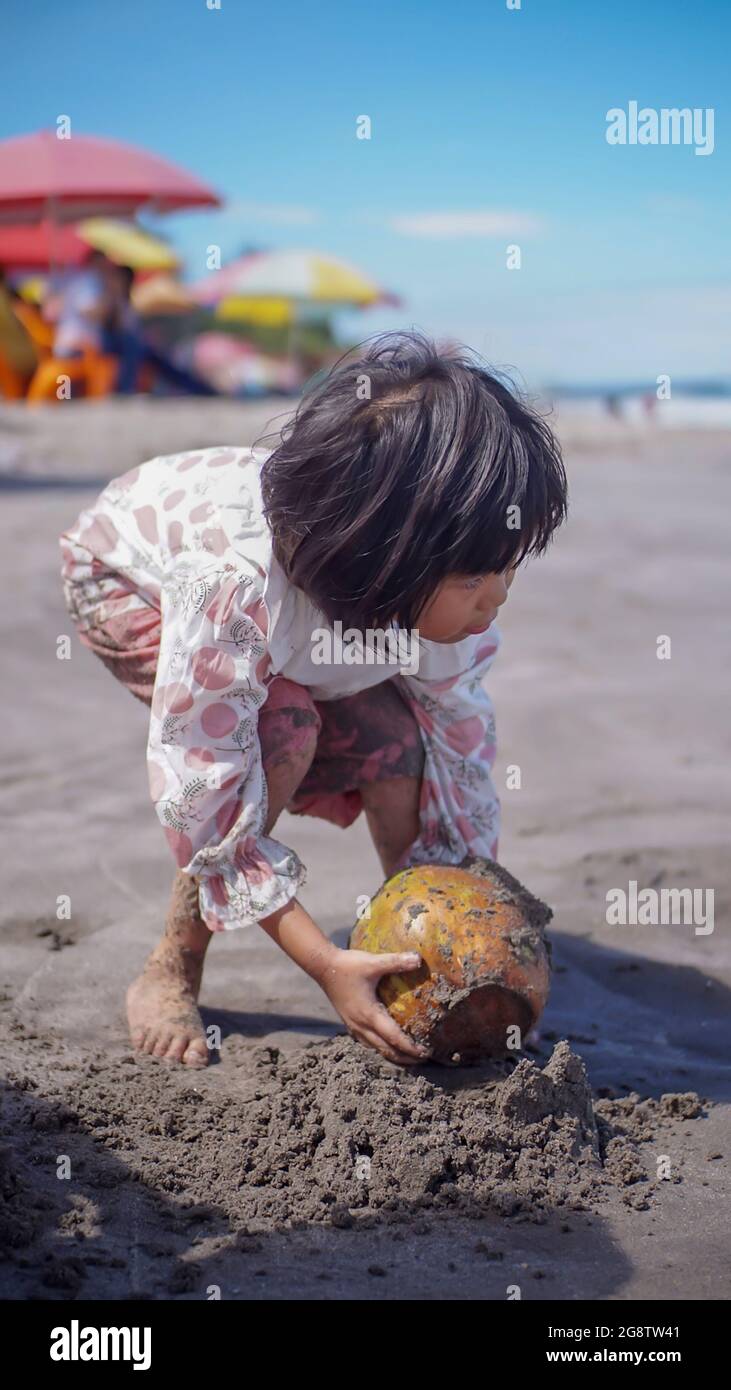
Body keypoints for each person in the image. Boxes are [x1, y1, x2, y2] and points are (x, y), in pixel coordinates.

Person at [59, 332, 568, 1069]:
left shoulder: (441, 598)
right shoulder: (231, 584)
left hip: (323, 608)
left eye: (507, 570)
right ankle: (173, 964)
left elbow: (457, 743)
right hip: (123, 575)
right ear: (391, 556)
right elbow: (203, 779)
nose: (496, 601)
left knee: (402, 737)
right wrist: (322, 963)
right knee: (285, 727)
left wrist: (475, 902)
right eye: (473, 579)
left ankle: (423, 949)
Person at [44, 249, 113, 358]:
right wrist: (108, 309)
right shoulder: (90, 281)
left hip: (70, 344)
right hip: (78, 346)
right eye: (105, 262)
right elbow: (88, 310)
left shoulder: (80, 280)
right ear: (97, 262)